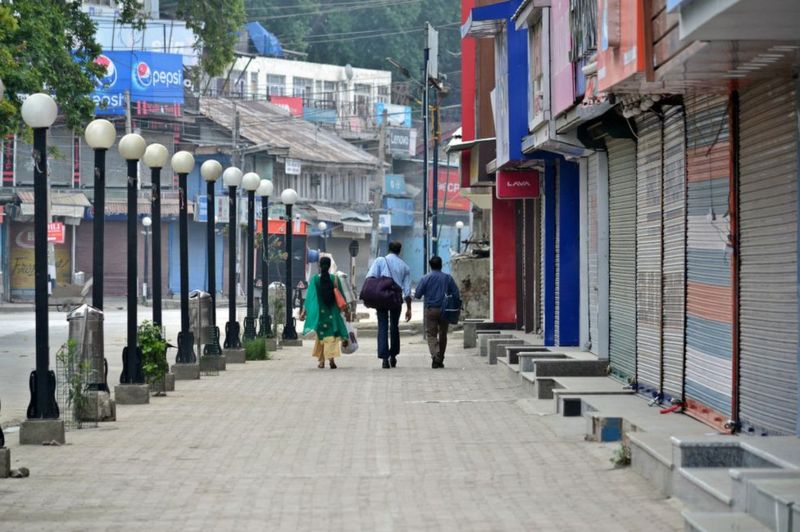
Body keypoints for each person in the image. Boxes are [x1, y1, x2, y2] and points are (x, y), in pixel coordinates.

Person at [365, 241, 412, 369]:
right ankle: (393, 356)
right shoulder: (405, 267)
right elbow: (407, 292)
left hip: (381, 298)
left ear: (389, 249)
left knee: (382, 326)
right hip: (396, 299)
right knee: (394, 327)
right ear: (399, 251)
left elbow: (370, 277)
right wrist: (409, 308)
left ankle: (384, 359)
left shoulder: (380, 261)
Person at [300, 256, 349, 369]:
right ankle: (331, 360)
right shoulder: (334, 279)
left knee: (321, 337)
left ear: (319, 266)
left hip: (320, 315)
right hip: (332, 313)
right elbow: (341, 297)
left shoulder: (314, 280)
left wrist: (304, 312)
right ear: (329, 265)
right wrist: (346, 311)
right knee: (331, 337)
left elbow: (309, 298)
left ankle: (322, 362)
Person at [414, 256, 460, 369]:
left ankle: (435, 356)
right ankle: (440, 358)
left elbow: (417, 294)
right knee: (443, 334)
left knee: (431, 334)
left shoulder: (426, 278)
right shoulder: (448, 278)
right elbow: (456, 294)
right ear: (441, 265)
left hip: (431, 310)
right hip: (445, 310)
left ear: (430, 265)